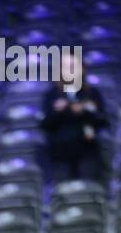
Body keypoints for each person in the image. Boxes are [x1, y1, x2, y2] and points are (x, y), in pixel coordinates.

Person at [42, 51, 107, 182]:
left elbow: (103, 121)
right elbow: (45, 125)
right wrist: (58, 111)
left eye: (73, 66)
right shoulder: (52, 94)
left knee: (88, 194)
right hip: (60, 156)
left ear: (82, 68)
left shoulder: (92, 93)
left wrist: (87, 110)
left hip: (87, 153)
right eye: (65, 66)